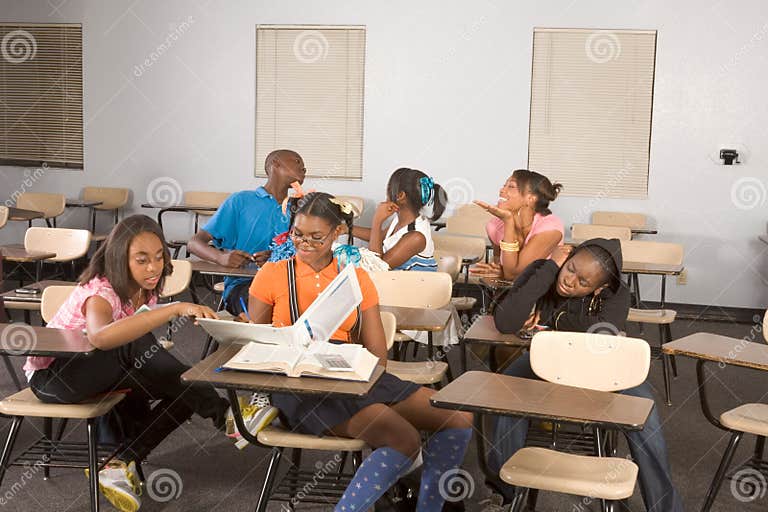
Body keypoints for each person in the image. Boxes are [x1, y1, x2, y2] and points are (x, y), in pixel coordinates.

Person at [248, 192, 474, 512]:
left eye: (317, 236)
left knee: (459, 417)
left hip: (352, 372)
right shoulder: (272, 274)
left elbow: (377, 352)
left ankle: (429, 507)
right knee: (403, 438)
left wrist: (356, 373)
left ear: (337, 233)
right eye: (298, 234)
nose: (305, 243)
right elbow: (255, 344)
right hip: (295, 383)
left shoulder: (355, 277)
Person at [24, 215, 230, 512]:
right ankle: (223, 414)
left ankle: (118, 462)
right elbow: (101, 338)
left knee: (187, 390)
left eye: (159, 257)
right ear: (121, 259)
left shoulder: (144, 286)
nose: (153, 267)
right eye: (142, 259)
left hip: (102, 371)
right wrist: (173, 308)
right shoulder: (102, 291)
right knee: (134, 341)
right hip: (55, 377)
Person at [485, 239, 684, 512]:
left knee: (645, 415)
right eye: (570, 269)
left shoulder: (617, 293)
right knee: (504, 395)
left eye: (582, 282)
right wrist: (550, 268)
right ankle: (507, 494)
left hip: (602, 370)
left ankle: (665, 508)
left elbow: (603, 334)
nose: (569, 281)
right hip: (546, 362)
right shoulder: (543, 270)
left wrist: (554, 319)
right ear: (567, 256)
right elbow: (505, 322)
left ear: (599, 288)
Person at [187, 149, 306, 315]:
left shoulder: (301, 207)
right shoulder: (241, 201)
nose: (304, 168)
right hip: (245, 285)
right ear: (275, 164)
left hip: (291, 283)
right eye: (297, 161)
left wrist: (277, 257)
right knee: (274, 308)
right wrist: (221, 258)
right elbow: (194, 243)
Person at [473, 169, 564, 280]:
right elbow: (500, 265)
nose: (502, 190)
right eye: (504, 185)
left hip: (543, 292)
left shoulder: (550, 227)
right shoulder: (494, 226)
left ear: (530, 198)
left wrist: (508, 221)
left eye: (510, 187)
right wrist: (498, 270)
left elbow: (514, 275)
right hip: (509, 292)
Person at [353, 167, 446, 271]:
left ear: (400, 196)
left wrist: (377, 221)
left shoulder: (416, 236)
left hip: (411, 285)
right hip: (395, 281)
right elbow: (381, 236)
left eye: (389, 189)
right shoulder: (402, 220)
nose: (387, 193)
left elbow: (377, 268)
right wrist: (346, 229)